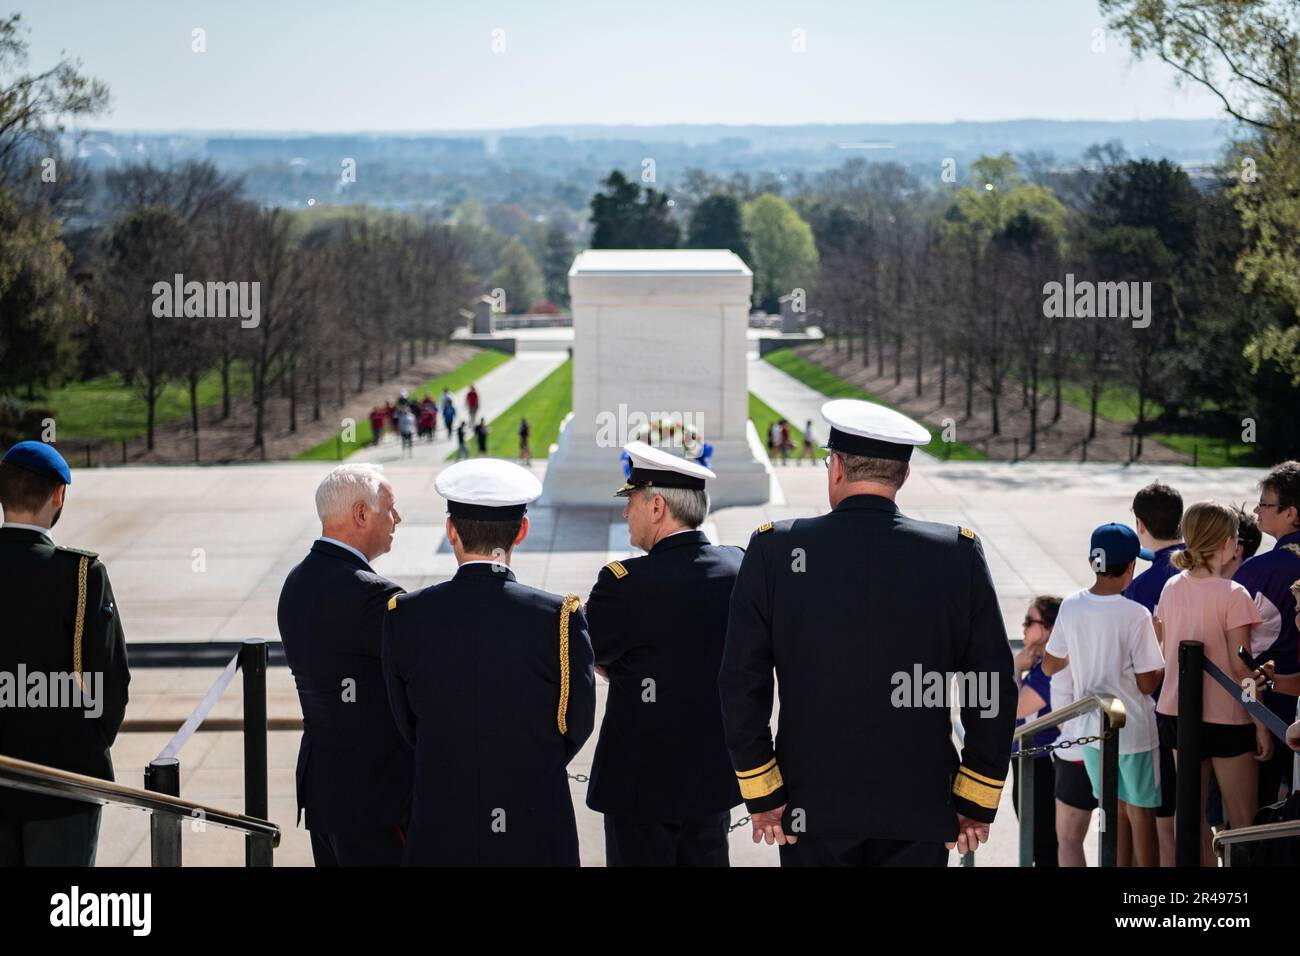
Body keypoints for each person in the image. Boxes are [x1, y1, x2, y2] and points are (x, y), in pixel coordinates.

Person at [719, 399, 1016, 866]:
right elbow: (991, 687)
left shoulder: (776, 549)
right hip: (921, 804)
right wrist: (974, 797)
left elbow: (741, 681)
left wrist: (764, 789)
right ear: (903, 475)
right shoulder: (956, 555)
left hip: (808, 804)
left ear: (836, 466)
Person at [382, 459, 595, 865]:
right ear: (522, 531)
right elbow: (575, 725)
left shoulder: (405, 615)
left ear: (450, 532)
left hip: (443, 822)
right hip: (534, 821)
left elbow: (407, 722)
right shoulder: (559, 618)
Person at [584, 442, 743, 866]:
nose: (625, 513)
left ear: (657, 506)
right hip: (712, 783)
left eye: (631, 501)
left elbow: (590, 657)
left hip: (639, 788)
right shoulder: (739, 569)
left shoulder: (623, 584)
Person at [0, 441, 130, 866]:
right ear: (59, 495)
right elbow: (111, 682)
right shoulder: (80, 575)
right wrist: (85, 748)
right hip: (63, 784)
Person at [276, 464, 411, 866]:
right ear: (361, 514)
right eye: (390, 508)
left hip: (325, 791)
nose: (397, 518)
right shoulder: (376, 597)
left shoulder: (296, 581)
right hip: (377, 799)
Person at [1042, 523, 1164, 867]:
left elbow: (1050, 665)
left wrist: (1084, 649)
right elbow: (1147, 684)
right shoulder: (1137, 615)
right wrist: (1162, 642)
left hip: (1092, 732)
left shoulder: (1071, 606)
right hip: (1135, 729)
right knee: (1141, 815)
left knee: (1114, 810)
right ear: (1130, 568)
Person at [1154, 501, 1268, 865]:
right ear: (1227, 543)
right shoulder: (1234, 594)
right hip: (1227, 717)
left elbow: (1163, 646)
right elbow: (1240, 667)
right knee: (1242, 821)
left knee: (1192, 819)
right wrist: (1262, 722)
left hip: (1175, 711)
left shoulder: (1171, 586)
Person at [1123, 480, 1183, 865]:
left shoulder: (1141, 588)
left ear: (1140, 524)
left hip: (1161, 711)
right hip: (1218, 705)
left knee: (1165, 819)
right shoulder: (1208, 565)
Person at [1234, 461, 1300, 809]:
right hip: (1289, 705)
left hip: (1266, 711)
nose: (1257, 509)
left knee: (1258, 817)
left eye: (1265, 503)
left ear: (1291, 513)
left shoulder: (1258, 571)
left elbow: (1238, 652)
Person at [1011, 595, 1062, 867]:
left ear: (1050, 629)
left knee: (1044, 846)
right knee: (1038, 845)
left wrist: (1015, 669)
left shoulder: (1049, 667)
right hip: (1029, 761)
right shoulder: (1041, 663)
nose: (1023, 626)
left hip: (1041, 766)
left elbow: (1015, 709)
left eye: (1030, 621)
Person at [1049, 653, 1097, 866]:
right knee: (1126, 836)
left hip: (1078, 750)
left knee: (1069, 840)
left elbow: (1060, 699)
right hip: (1128, 744)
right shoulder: (1138, 617)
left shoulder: (1070, 620)